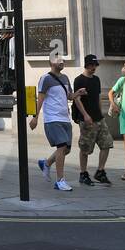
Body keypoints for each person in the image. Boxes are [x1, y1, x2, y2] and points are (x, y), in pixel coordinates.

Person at [30, 51, 74, 192]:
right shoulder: (45, 79)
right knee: (61, 147)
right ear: (51, 62)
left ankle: (46, 163)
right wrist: (35, 117)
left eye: (62, 59)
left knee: (66, 149)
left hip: (65, 118)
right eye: (58, 59)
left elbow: (69, 96)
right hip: (52, 119)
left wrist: (77, 94)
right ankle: (60, 181)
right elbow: (40, 99)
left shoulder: (66, 78)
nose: (61, 61)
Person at [71, 54, 113, 186]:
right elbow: (77, 99)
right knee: (85, 148)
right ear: (86, 65)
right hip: (86, 119)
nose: (94, 67)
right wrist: (85, 115)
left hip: (99, 118)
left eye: (95, 65)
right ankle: (83, 173)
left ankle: (100, 171)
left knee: (107, 143)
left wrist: (100, 113)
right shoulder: (79, 80)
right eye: (91, 65)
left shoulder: (96, 79)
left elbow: (98, 97)